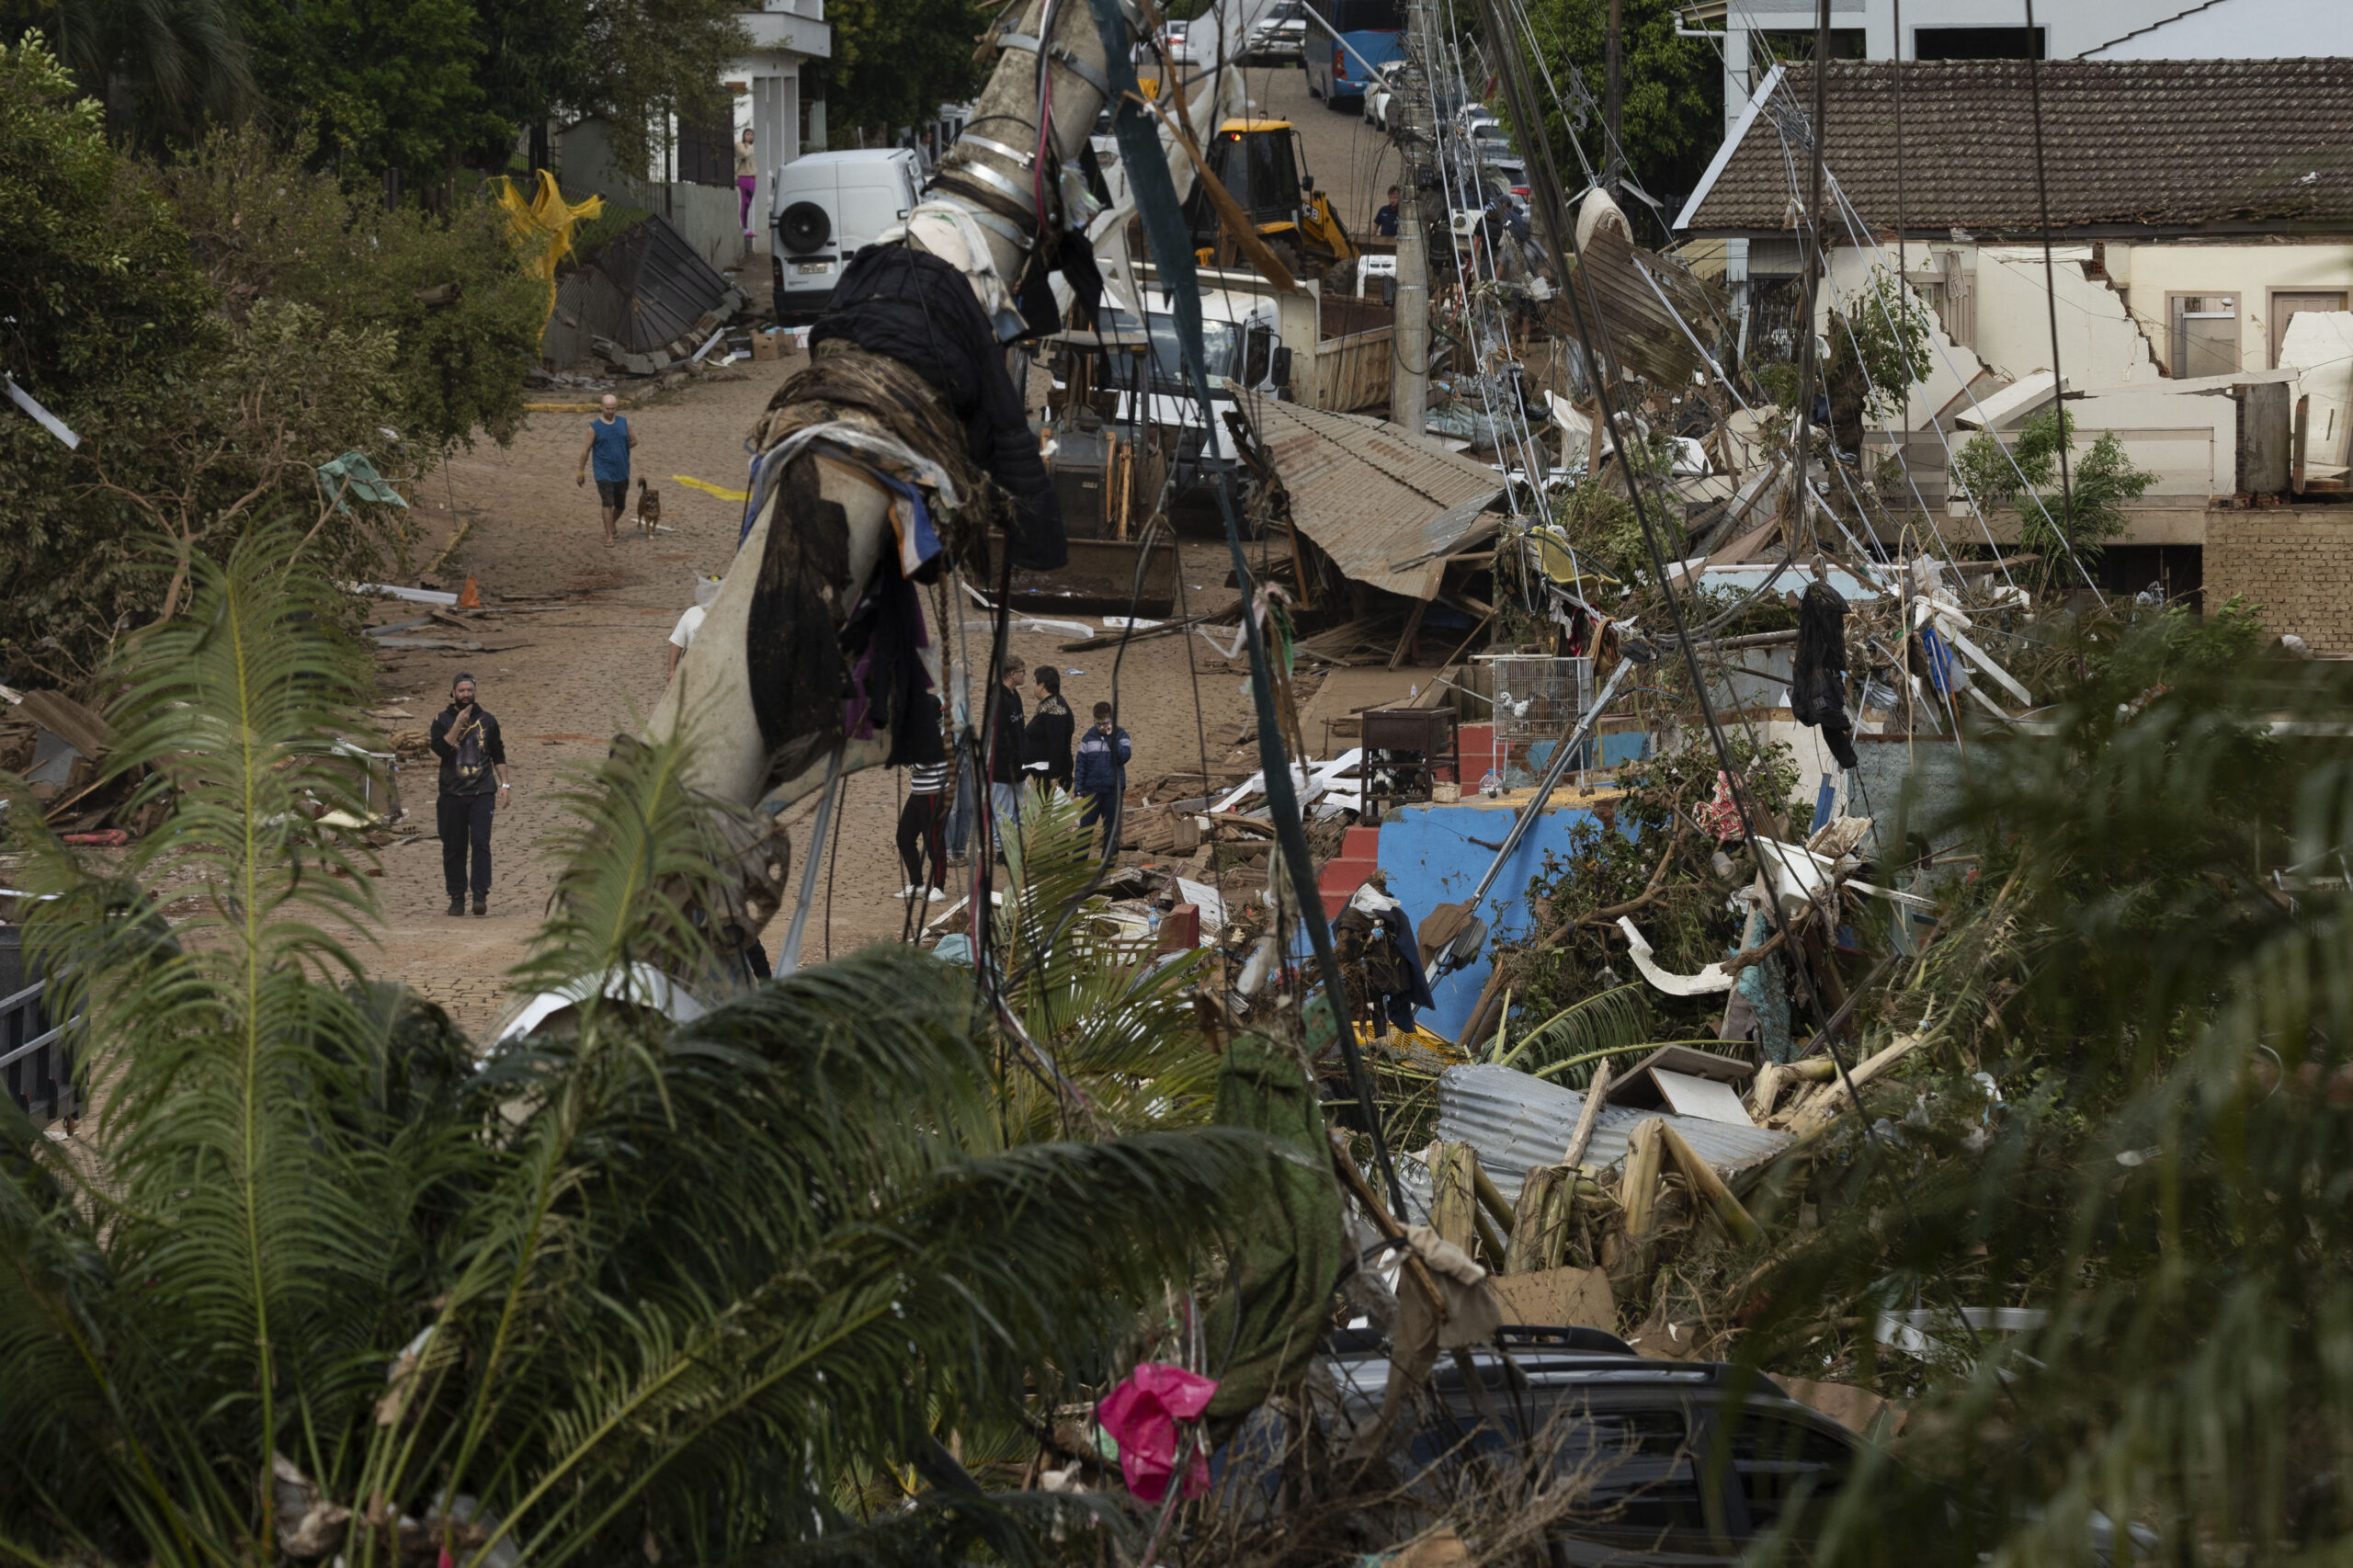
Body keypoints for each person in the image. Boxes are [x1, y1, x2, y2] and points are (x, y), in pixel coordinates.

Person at [428, 672, 509, 916]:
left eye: (469, 690)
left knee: (481, 843)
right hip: (451, 794)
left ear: (475, 691)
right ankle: (456, 897)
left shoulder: (488, 719)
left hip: (482, 791)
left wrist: (505, 785)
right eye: (461, 690)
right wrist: (458, 723)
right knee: (454, 846)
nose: (466, 695)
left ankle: (480, 894)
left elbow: (498, 752)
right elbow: (441, 749)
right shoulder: (441, 719)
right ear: (453, 692)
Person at [574, 394, 638, 547]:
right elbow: (586, 451)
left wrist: (622, 448)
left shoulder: (624, 422)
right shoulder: (594, 428)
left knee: (621, 505)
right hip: (603, 471)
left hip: (622, 470)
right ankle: (609, 536)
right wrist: (580, 472)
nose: (610, 411)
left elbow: (634, 441)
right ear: (602, 408)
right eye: (608, 408)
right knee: (607, 502)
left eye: (613, 408)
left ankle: (612, 523)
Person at [1073, 701, 1131, 851]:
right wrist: (1078, 790)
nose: (1101, 727)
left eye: (1104, 723)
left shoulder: (1121, 735)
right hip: (1091, 790)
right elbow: (1080, 765)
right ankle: (1077, 866)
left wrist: (1111, 738)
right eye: (1098, 724)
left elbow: (1123, 757)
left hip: (1113, 790)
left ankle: (1108, 865)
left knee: (1111, 830)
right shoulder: (1088, 737)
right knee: (1085, 829)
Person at [986, 655, 1028, 850]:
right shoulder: (998, 698)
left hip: (1018, 764)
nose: (1024, 675)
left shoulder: (1014, 695)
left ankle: (1015, 845)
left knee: (1019, 809)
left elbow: (1018, 728)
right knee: (1002, 809)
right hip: (1003, 766)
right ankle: (1000, 849)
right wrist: (1010, 758)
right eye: (1022, 672)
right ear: (1012, 674)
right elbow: (998, 736)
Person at [897, 757, 951, 901]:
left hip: (935, 791)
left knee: (934, 840)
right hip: (918, 791)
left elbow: (922, 764)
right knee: (904, 837)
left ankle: (939, 887)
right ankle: (917, 883)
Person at [1024, 666, 1074, 790]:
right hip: (1042, 772)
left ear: (1041, 685)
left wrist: (1054, 775)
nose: (1033, 685)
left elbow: (1057, 744)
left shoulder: (1056, 710)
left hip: (1051, 776)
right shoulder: (1048, 704)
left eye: (1034, 681)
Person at [665, 577, 720, 678]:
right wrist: (671, 670)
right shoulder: (691, 613)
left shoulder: (730, 613)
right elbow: (677, 644)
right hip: (692, 668)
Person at [736, 128, 757, 239]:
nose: (749, 136)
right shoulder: (741, 145)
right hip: (744, 176)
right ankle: (744, 228)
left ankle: (746, 227)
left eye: (751, 135)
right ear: (744, 135)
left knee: (748, 203)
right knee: (745, 201)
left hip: (752, 177)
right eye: (747, 134)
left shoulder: (751, 148)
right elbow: (743, 154)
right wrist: (749, 146)